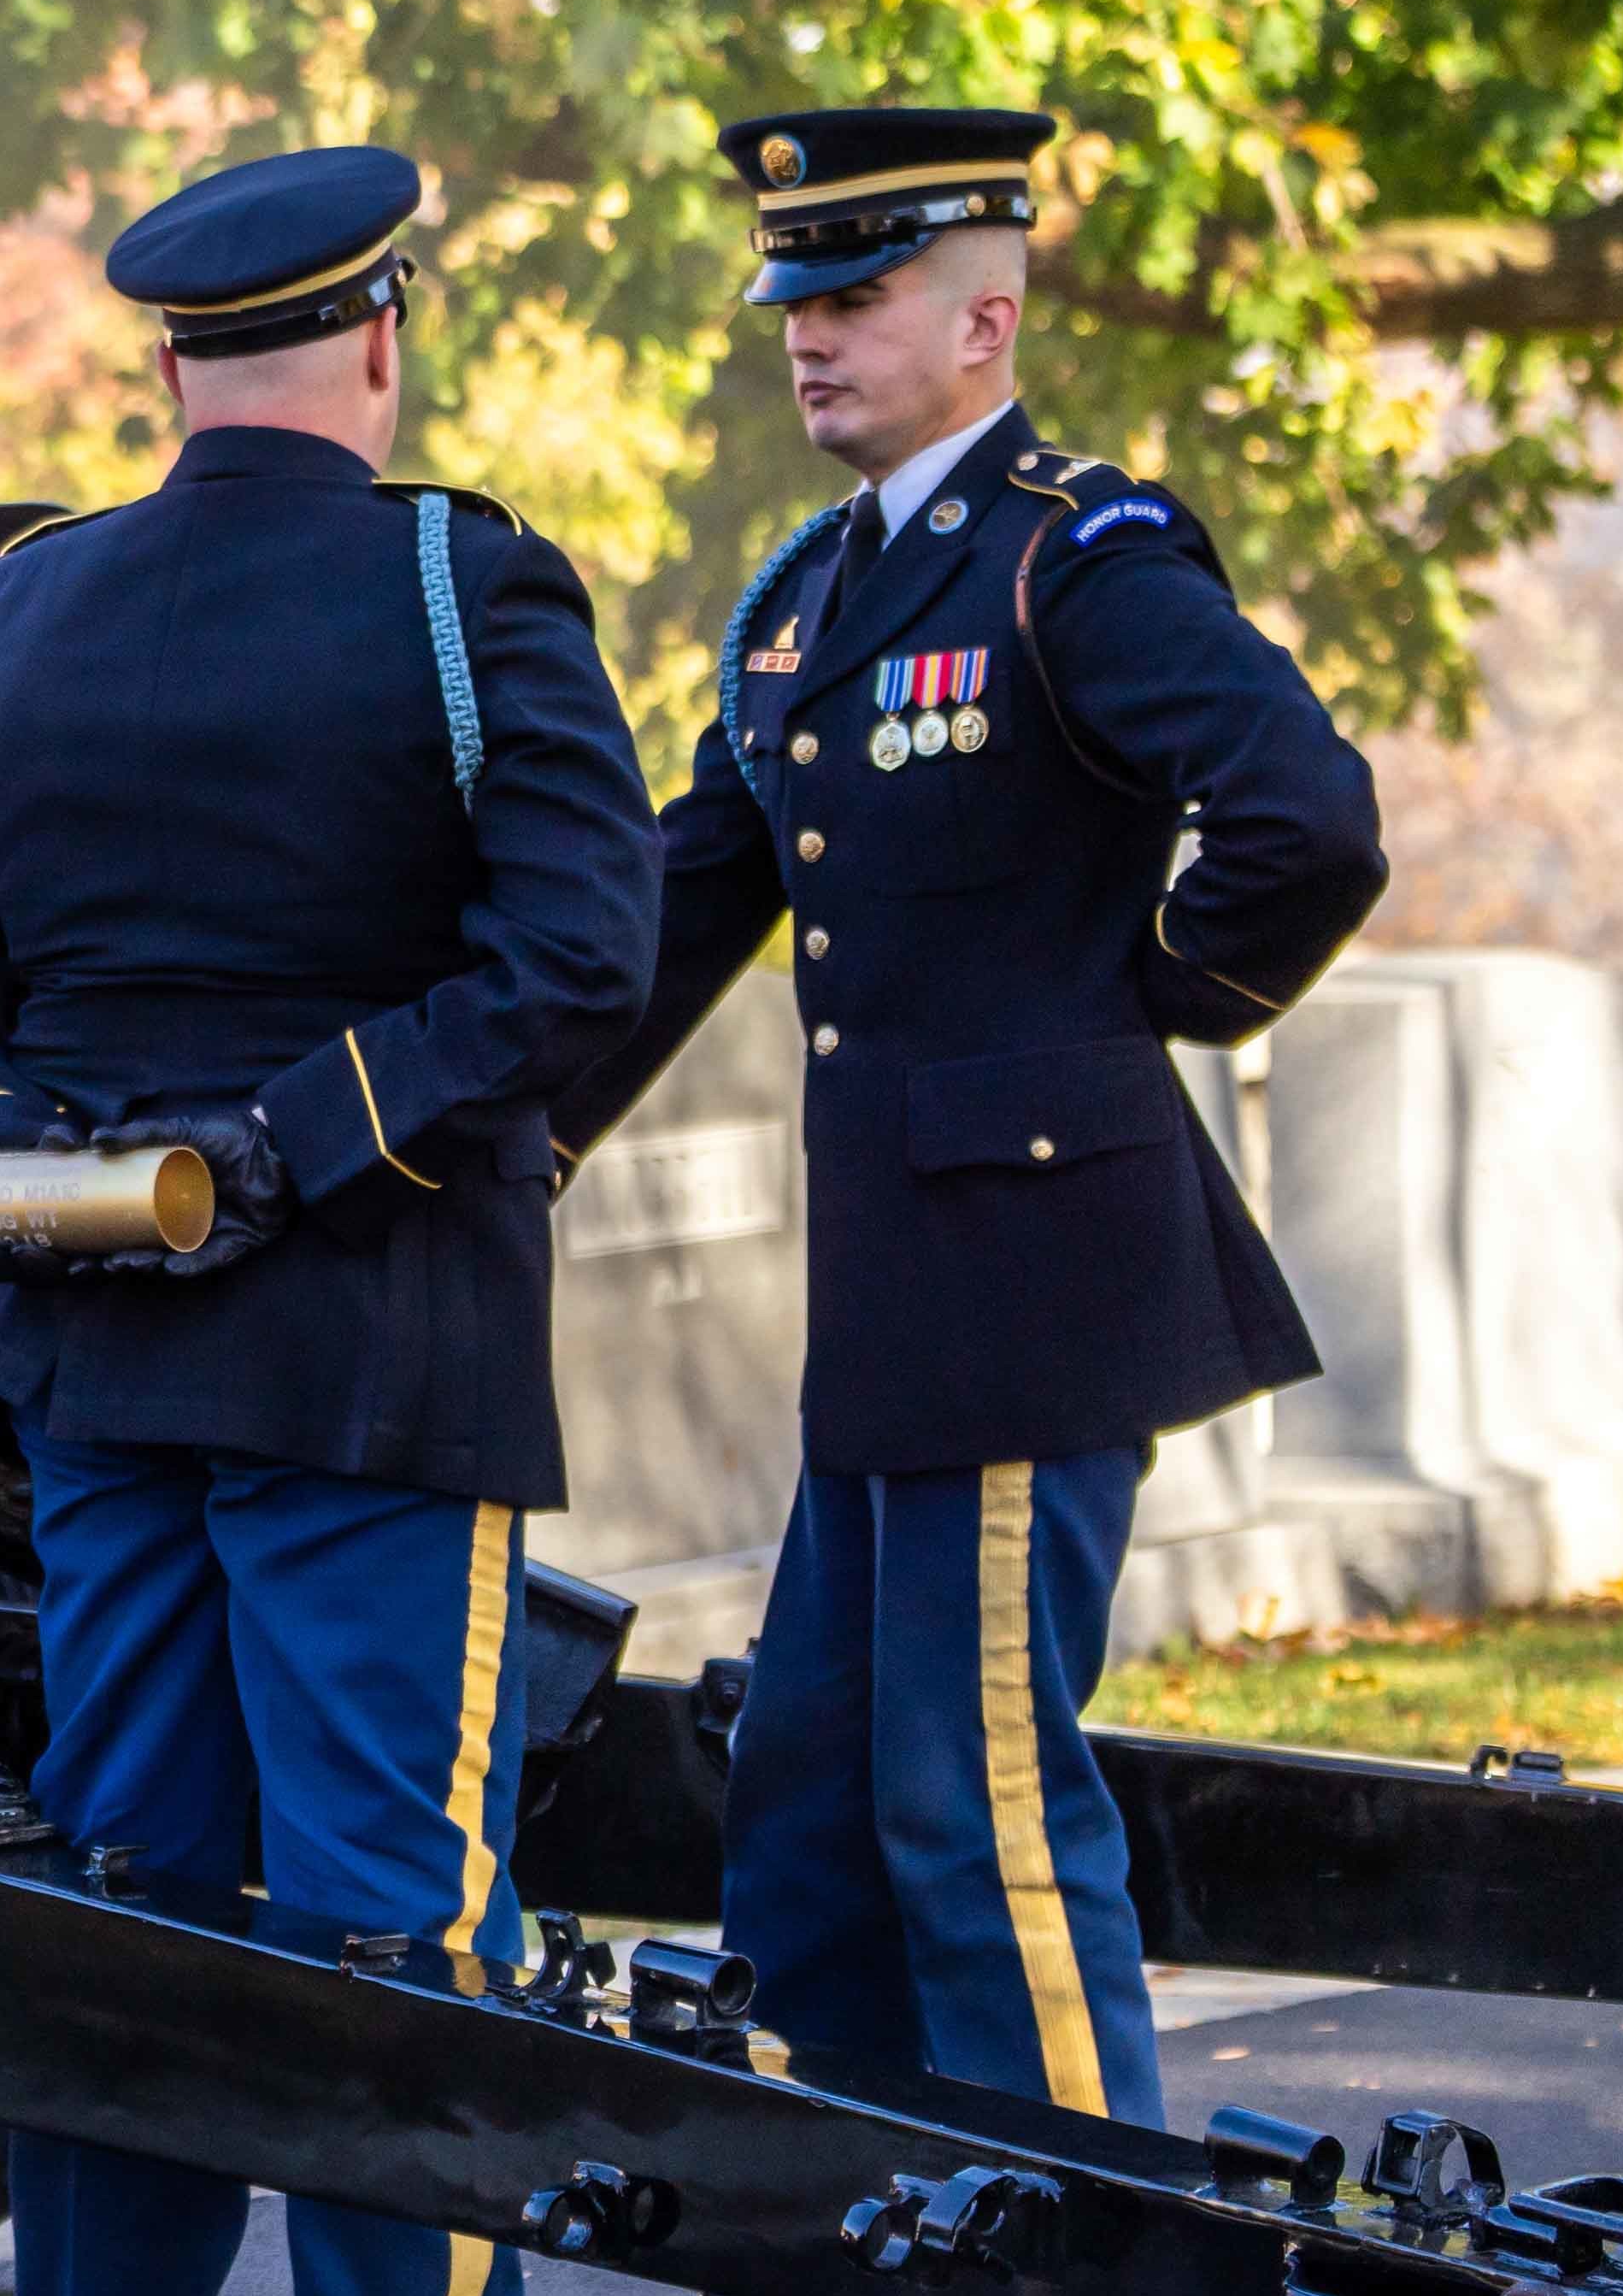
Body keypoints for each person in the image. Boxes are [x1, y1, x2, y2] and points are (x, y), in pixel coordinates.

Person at [0, 142, 652, 2296]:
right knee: (392, 1908)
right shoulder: (459, 580)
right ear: (379, 336)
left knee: (127, 1901)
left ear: (173, 366)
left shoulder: (21, 601)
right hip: (372, 1348)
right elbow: (581, 952)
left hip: (93, 1348)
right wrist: (294, 1140)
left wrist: (33, 1166)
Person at [550, 106, 1384, 2168]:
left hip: (1032, 1286)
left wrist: (1149, 998)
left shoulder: (1074, 557)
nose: (807, 335)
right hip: (897, 1318)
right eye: (795, 301)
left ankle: (1103, 2268)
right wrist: (488, 1127)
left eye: (855, 297)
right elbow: (679, 905)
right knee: (809, 1790)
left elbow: (1306, 821)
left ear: (984, 319)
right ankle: (812, 2255)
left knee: (976, 1792)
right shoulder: (809, 594)